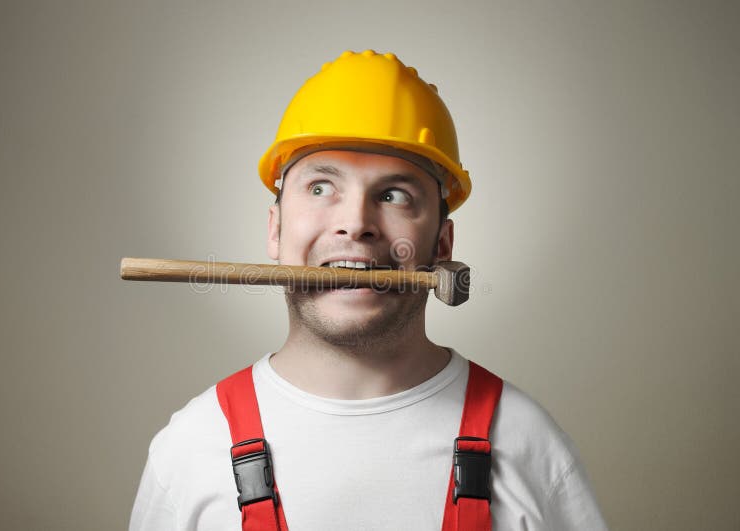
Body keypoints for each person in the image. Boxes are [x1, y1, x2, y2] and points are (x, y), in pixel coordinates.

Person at [129, 50, 608, 530]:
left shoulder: (530, 448)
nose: (355, 224)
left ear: (442, 243)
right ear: (275, 229)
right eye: (320, 188)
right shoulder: (191, 450)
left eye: (394, 195)